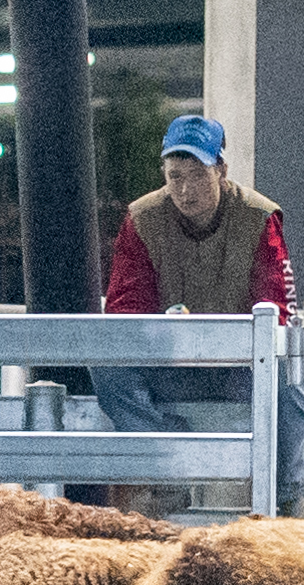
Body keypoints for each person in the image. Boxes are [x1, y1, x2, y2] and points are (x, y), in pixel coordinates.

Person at [97, 112, 292, 432]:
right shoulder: (142, 219)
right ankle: (160, 453)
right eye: (175, 177)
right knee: (106, 361)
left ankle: (287, 484)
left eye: (198, 175)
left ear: (222, 171)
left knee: (289, 382)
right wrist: (164, 337)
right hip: (171, 364)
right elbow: (126, 311)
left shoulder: (259, 216)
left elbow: (279, 307)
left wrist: (234, 349)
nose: (186, 190)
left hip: (240, 365)